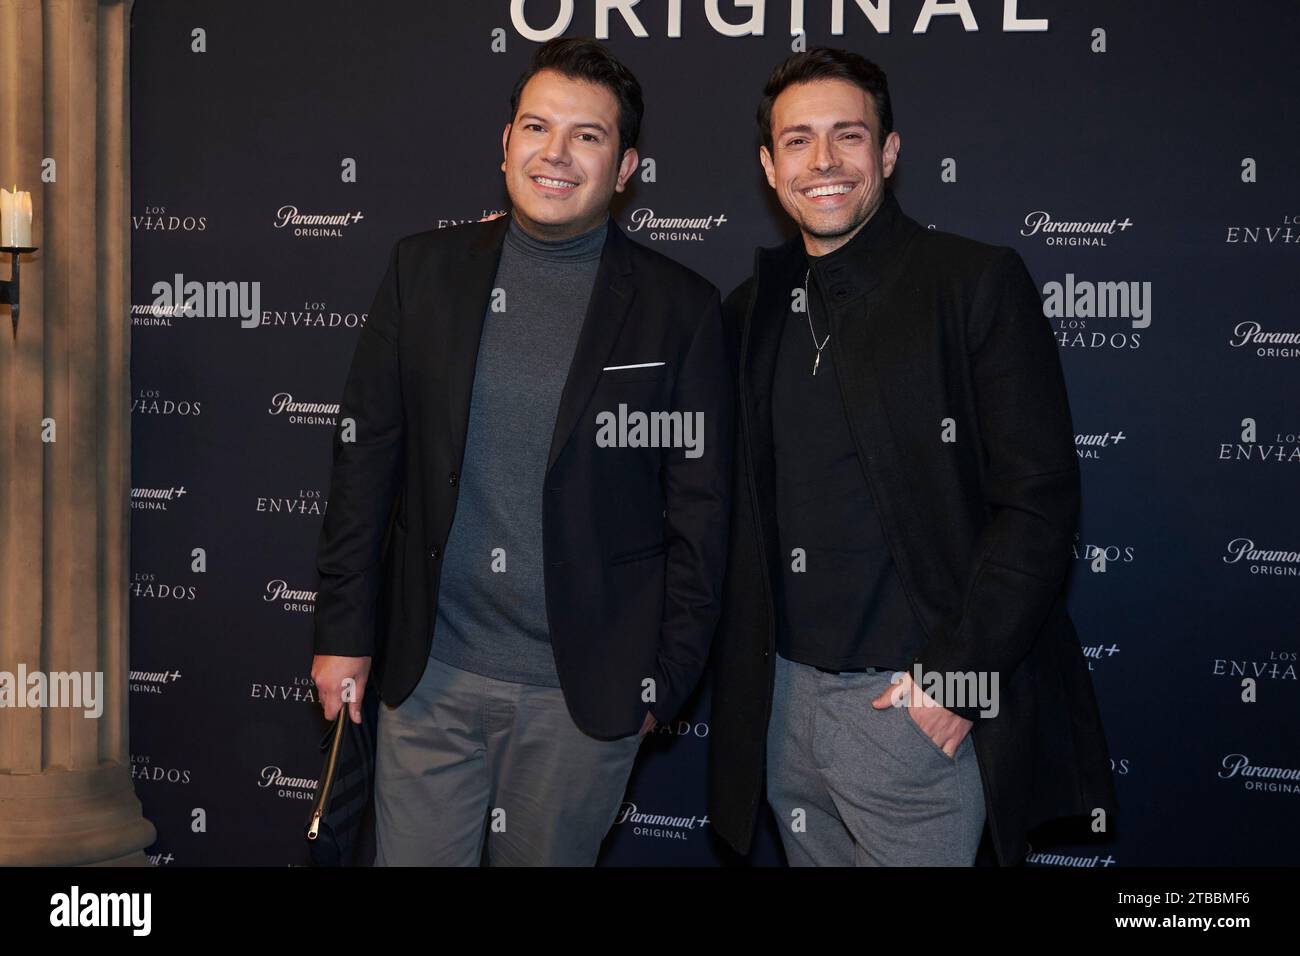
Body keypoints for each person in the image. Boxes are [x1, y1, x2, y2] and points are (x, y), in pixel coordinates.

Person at [312, 37, 732, 866]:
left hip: (584, 698)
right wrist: (343, 633)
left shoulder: (680, 309)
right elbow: (365, 466)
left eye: (588, 135)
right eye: (537, 126)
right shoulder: (422, 271)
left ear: (624, 168)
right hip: (427, 677)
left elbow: (703, 511)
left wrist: (661, 682)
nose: (556, 153)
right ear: (505, 143)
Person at [707, 48, 1116, 866]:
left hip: (909, 709)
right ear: (768, 165)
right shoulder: (750, 311)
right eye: (797, 141)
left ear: (888, 153)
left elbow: (1039, 502)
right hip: (783, 706)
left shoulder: (971, 282)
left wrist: (956, 679)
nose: (823, 161)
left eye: (847, 136)